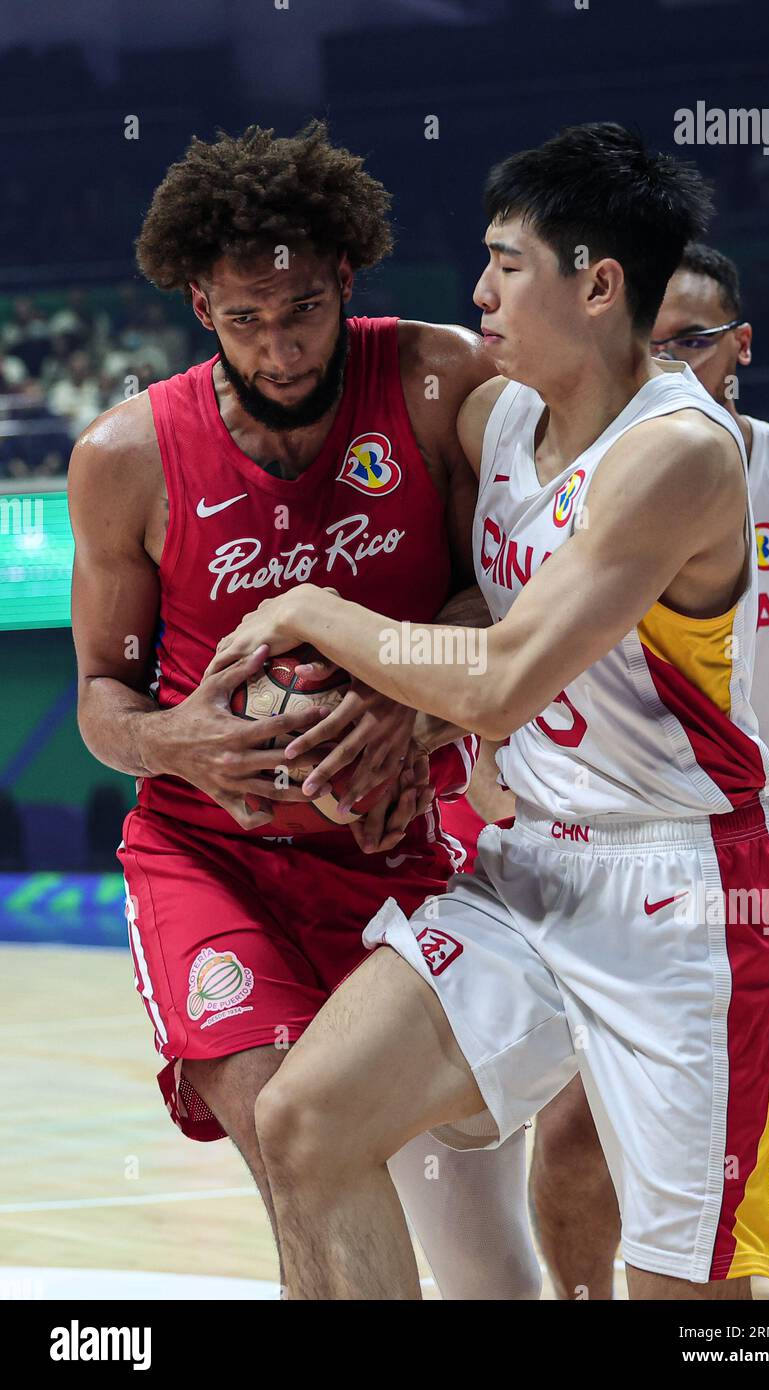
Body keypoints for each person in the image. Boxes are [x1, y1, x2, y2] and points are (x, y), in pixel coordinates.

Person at [209, 123, 769, 1300]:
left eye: (505, 263)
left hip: (677, 897)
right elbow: (360, 414)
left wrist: (317, 611)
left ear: (598, 285)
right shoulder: (501, 417)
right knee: (306, 1123)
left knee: (687, 1298)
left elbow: (502, 677)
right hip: (524, 868)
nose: (478, 290)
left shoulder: (677, 453)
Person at [69, 121, 540, 1300]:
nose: (279, 349)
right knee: (288, 1131)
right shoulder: (125, 455)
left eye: (304, 312)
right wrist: (172, 739)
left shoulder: (438, 381)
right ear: (198, 303)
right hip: (210, 853)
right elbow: (102, 697)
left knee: (413, 1188)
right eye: (245, 320)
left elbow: (506, 591)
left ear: (346, 277)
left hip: (404, 835)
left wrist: (415, 702)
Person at [530, 242, 769, 1300]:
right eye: (651, 343)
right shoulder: (575, 484)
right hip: (663, 838)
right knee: (574, 1132)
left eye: (695, 342)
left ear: (742, 346)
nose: (670, 363)